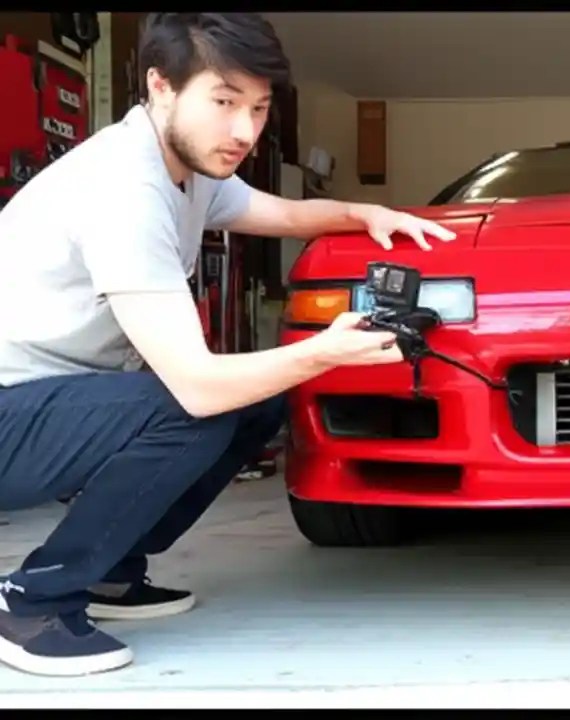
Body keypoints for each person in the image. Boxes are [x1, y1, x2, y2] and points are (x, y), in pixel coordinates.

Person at [0, 13, 456, 677]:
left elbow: (286, 215)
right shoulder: (125, 189)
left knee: (255, 403)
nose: (244, 131)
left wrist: (366, 214)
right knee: (196, 407)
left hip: (44, 404)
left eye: (259, 109)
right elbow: (197, 385)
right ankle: (32, 599)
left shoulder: (190, 167)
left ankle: (112, 571)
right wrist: (323, 352)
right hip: (11, 413)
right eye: (223, 102)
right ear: (160, 87)